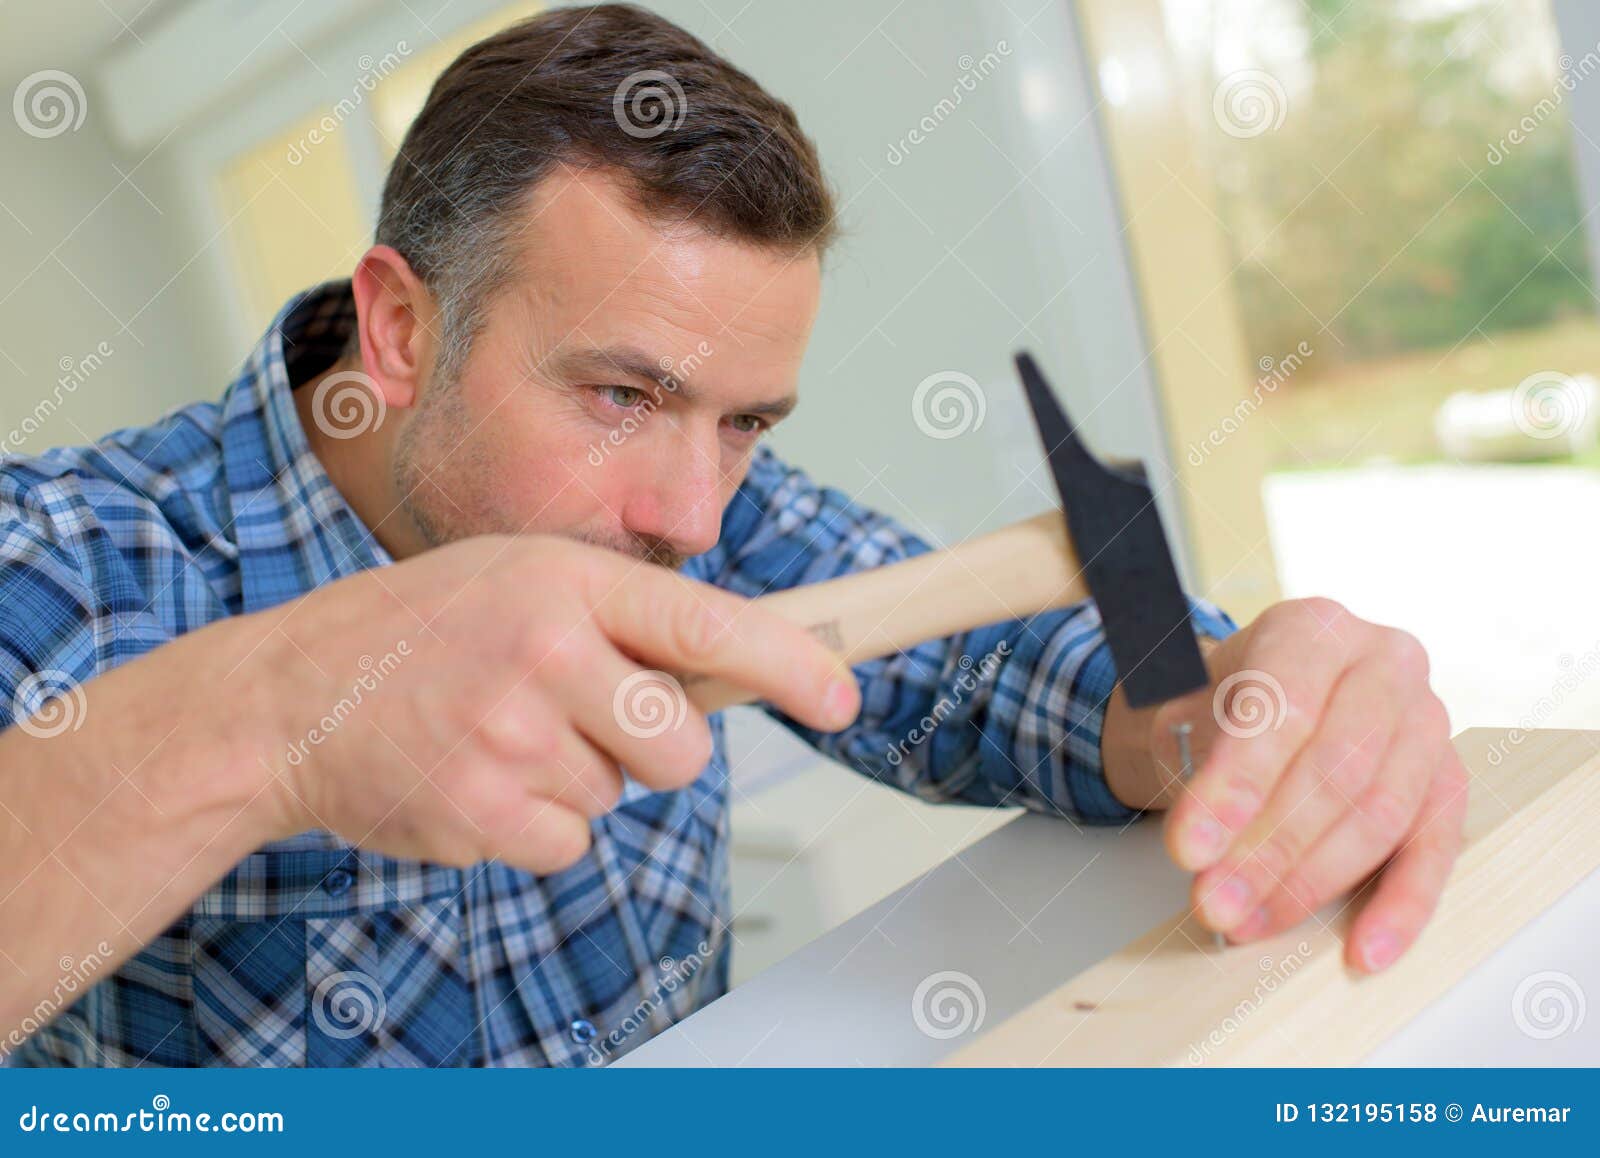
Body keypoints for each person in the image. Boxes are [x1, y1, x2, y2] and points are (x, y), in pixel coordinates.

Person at [0, 3, 1465, 1067]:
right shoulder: (75, 554)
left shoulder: (704, 502)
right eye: (622, 394)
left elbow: (965, 674)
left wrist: (1227, 715)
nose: (694, 515)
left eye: (745, 419)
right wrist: (282, 723)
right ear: (396, 325)